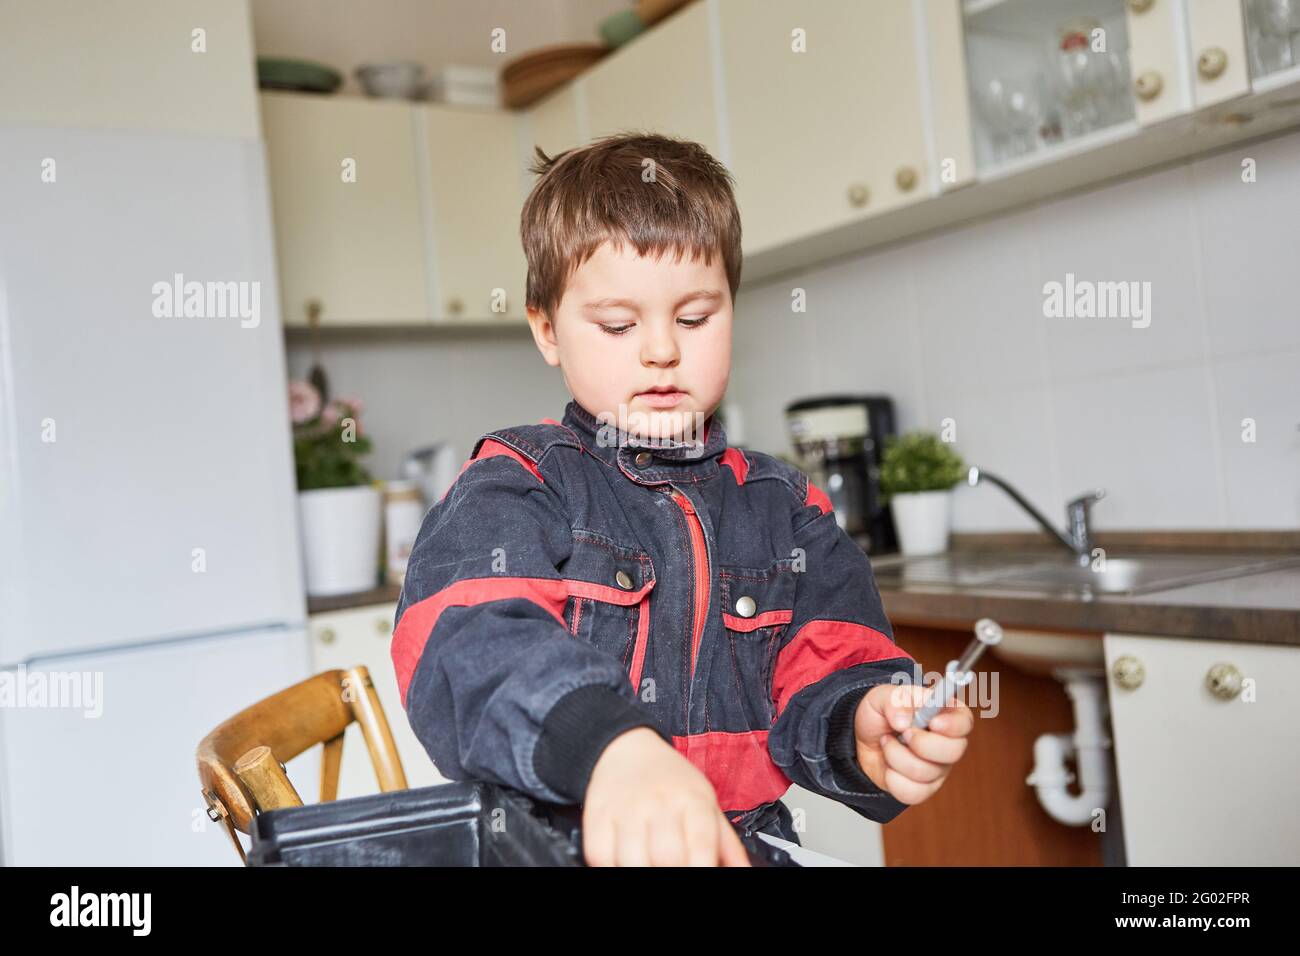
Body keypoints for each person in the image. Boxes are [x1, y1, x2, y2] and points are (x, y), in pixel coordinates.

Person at [392, 132, 973, 867]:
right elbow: (462, 645)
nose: (662, 350)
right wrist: (609, 747)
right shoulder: (520, 481)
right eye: (618, 325)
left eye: (694, 318)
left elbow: (832, 662)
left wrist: (862, 724)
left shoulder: (787, 505)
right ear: (547, 329)